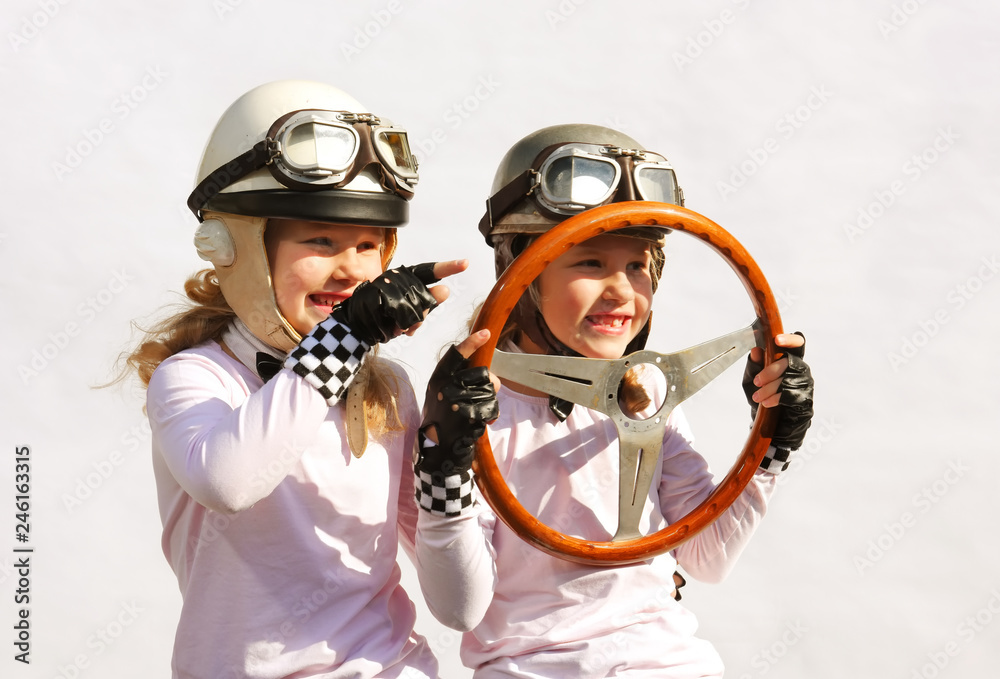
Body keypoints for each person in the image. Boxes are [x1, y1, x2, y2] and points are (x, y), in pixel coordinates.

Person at [410, 124, 815, 677]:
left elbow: (709, 556)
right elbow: (460, 608)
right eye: (590, 263)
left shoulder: (648, 395)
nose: (622, 290)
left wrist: (773, 439)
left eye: (638, 265)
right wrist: (444, 468)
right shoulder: (467, 421)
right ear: (521, 273)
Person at [124, 80, 460, 678]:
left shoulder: (390, 392)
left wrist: (447, 467)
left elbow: (461, 606)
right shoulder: (193, 378)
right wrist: (348, 339)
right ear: (237, 247)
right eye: (320, 240)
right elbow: (229, 481)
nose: (350, 269)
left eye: (367, 245)